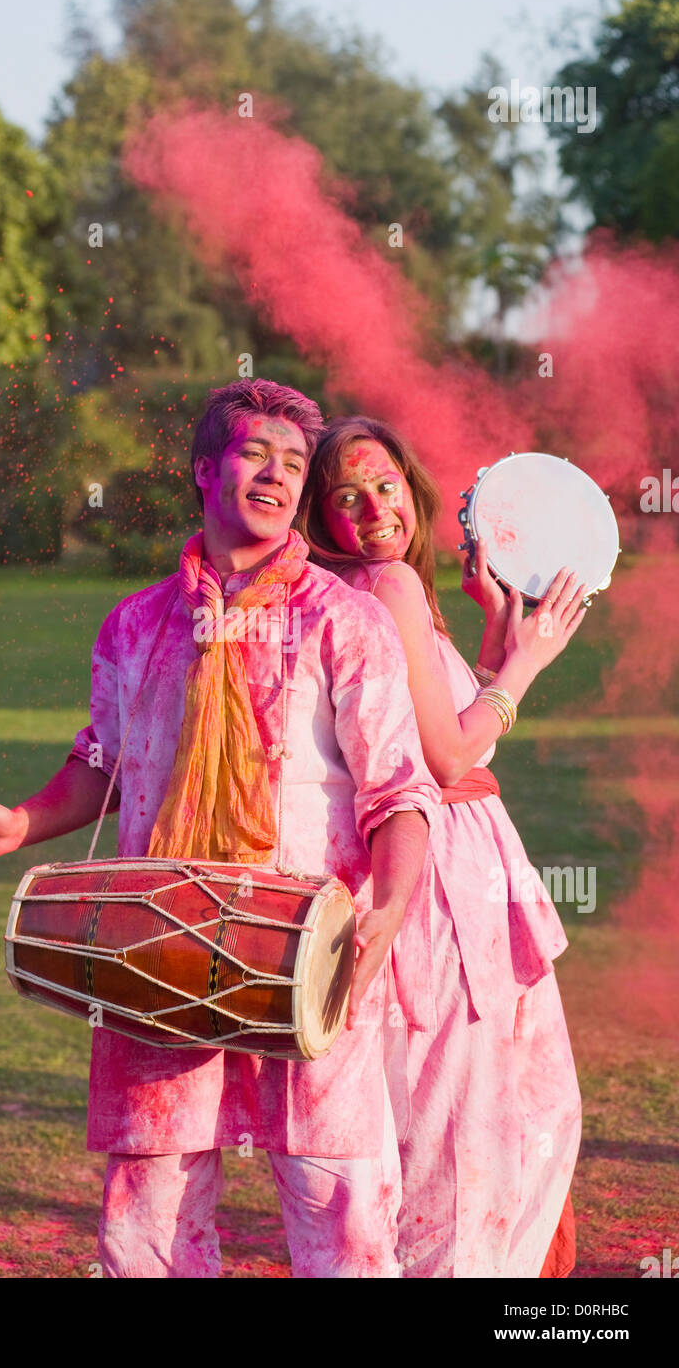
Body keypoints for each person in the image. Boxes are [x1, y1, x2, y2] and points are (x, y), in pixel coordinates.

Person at [0, 379, 440, 1279]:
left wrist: (385, 907)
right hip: (161, 945)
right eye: (256, 454)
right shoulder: (136, 624)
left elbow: (399, 793)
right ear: (204, 469)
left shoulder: (346, 622)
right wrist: (20, 825)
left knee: (343, 1208)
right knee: (147, 1212)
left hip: (313, 951)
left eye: (295, 465)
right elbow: (104, 766)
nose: (277, 475)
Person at [297, 415, 585, 1278]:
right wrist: (528, 665)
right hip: (449, 891)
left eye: (384, 486)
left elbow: (451, 730)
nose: (372, 508)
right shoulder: (382, 587)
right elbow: (452, 754)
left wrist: (494, 631)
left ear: (413, 491)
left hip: (450, 872)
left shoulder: (380, 590)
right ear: (322, 517)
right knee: (480, 1124)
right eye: (345, 497)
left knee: (455, 1110)